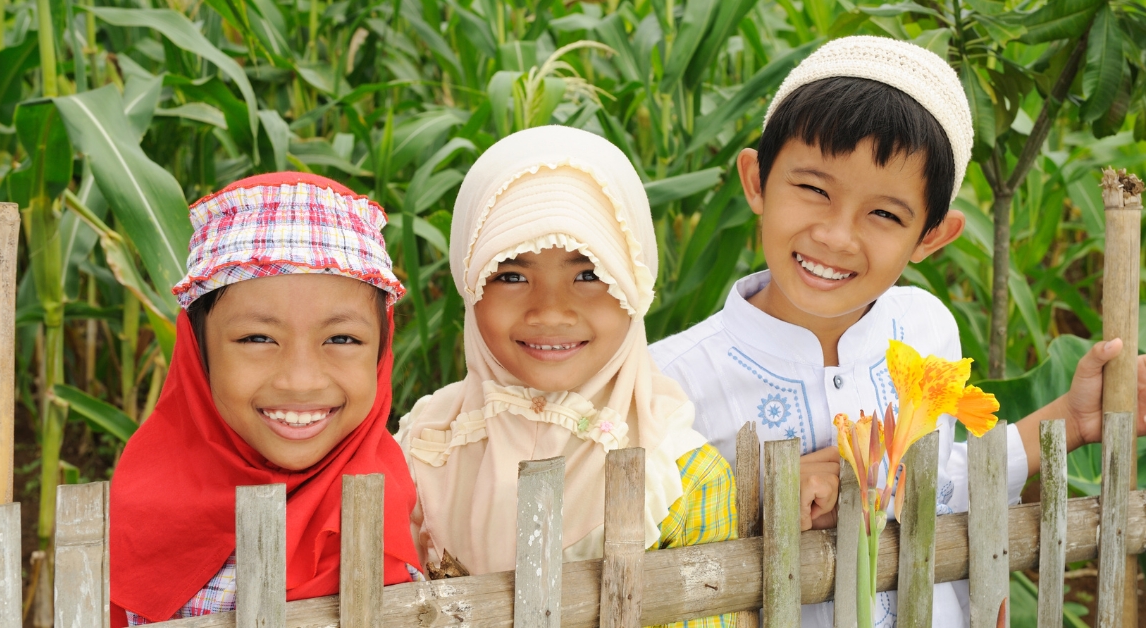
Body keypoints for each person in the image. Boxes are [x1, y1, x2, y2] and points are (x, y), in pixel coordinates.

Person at [649, 36, 1146, 626]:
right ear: (757, 181)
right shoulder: (667, 382)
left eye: (884, 214)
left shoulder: (925, 327)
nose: (836, 236)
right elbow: (648, 553)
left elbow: (934, 485)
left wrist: (1072, 418)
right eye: (813, 189)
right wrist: (760, 505)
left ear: (931, 237)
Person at [397, 125, 735, 626]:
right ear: (469, 283)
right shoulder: (420, 450)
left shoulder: (682, 480)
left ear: (634, 285)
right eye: (511, 275)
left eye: (589, 273)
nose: (550, 311)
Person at [109, 173, 421, 625]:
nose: (300, 381)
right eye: (258, 337)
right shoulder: (144, 512)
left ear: (381, 352)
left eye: (342, 338)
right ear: (199, 354)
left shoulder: (399, 507)